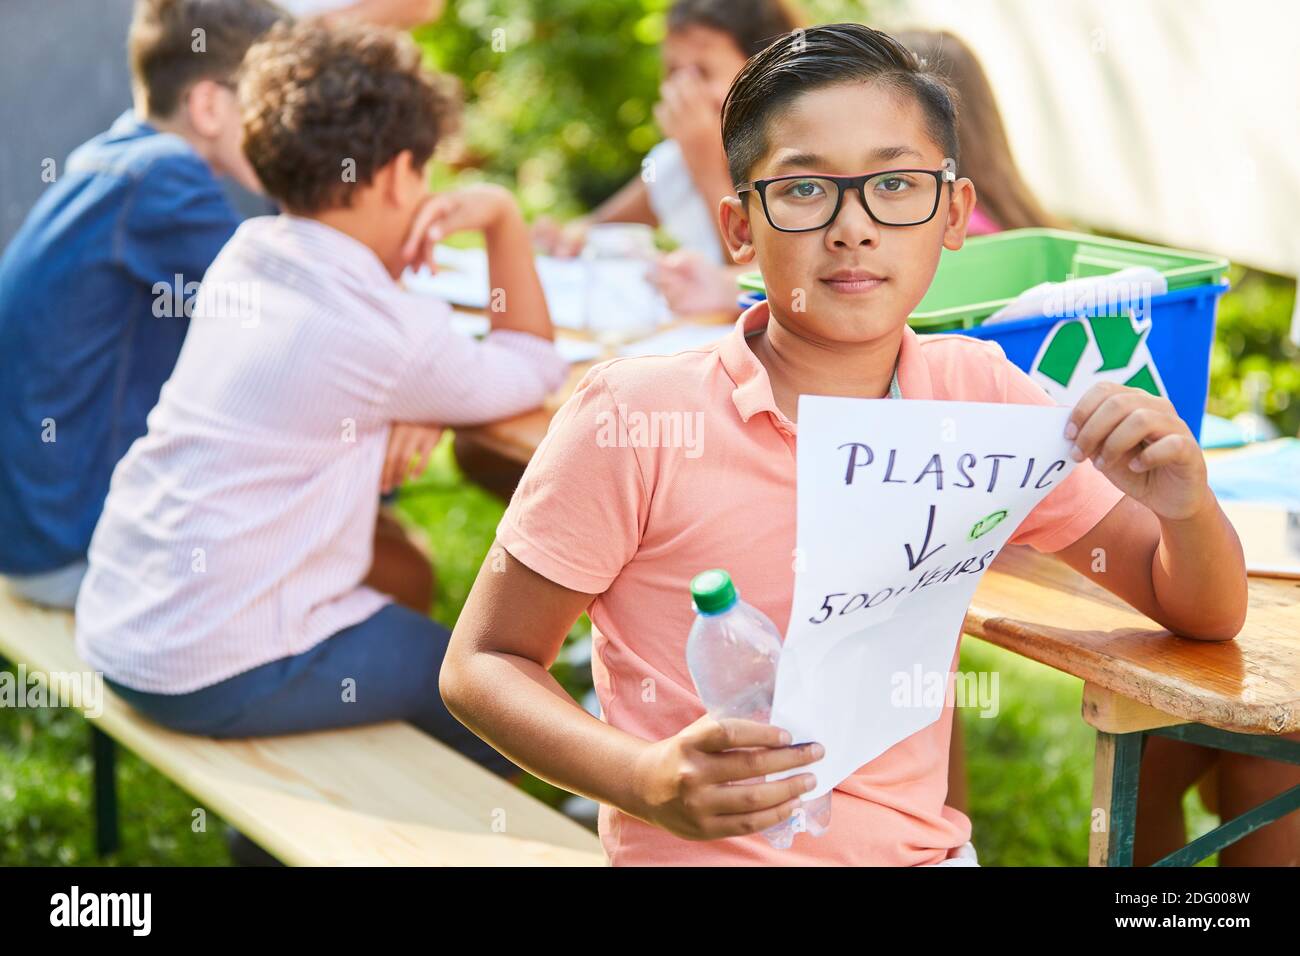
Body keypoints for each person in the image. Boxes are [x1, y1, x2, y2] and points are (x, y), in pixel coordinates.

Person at [438, 23, 1248, 866]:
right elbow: (484, 663)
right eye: (803, 190)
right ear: (739, 227)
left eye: (896, 184)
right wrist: (645, 779)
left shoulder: (980, 396)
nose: (853, 226)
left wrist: (1185, 506)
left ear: (956, 215)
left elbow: (1200, 611)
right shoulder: (634, 415)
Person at [74, 21, 567, 768]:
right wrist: (500, 216)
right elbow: (532, 362)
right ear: (402, 174)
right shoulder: (382, 336)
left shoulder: (247, 254)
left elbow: (352, 343)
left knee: (400, 575)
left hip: (125, 619)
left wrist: (416, 397)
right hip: (209, 667)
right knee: (491, 691)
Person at [0, 0, 285, 609]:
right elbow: (287, 326)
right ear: (209, 106)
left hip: (32, 534)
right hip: (75, 551)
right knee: (385, 562)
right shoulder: (162, 179)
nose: (289, 127)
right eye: (274, 103)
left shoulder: (107, 158)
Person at [532, 0, 803, 265]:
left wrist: (706, 163)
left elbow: (757, 278)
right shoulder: (676, 163)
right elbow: (596, 227)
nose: (682, 90)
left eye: (703, 72)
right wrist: (564, 237)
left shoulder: (795, 163)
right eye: (673, 72)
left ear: (766, 76)